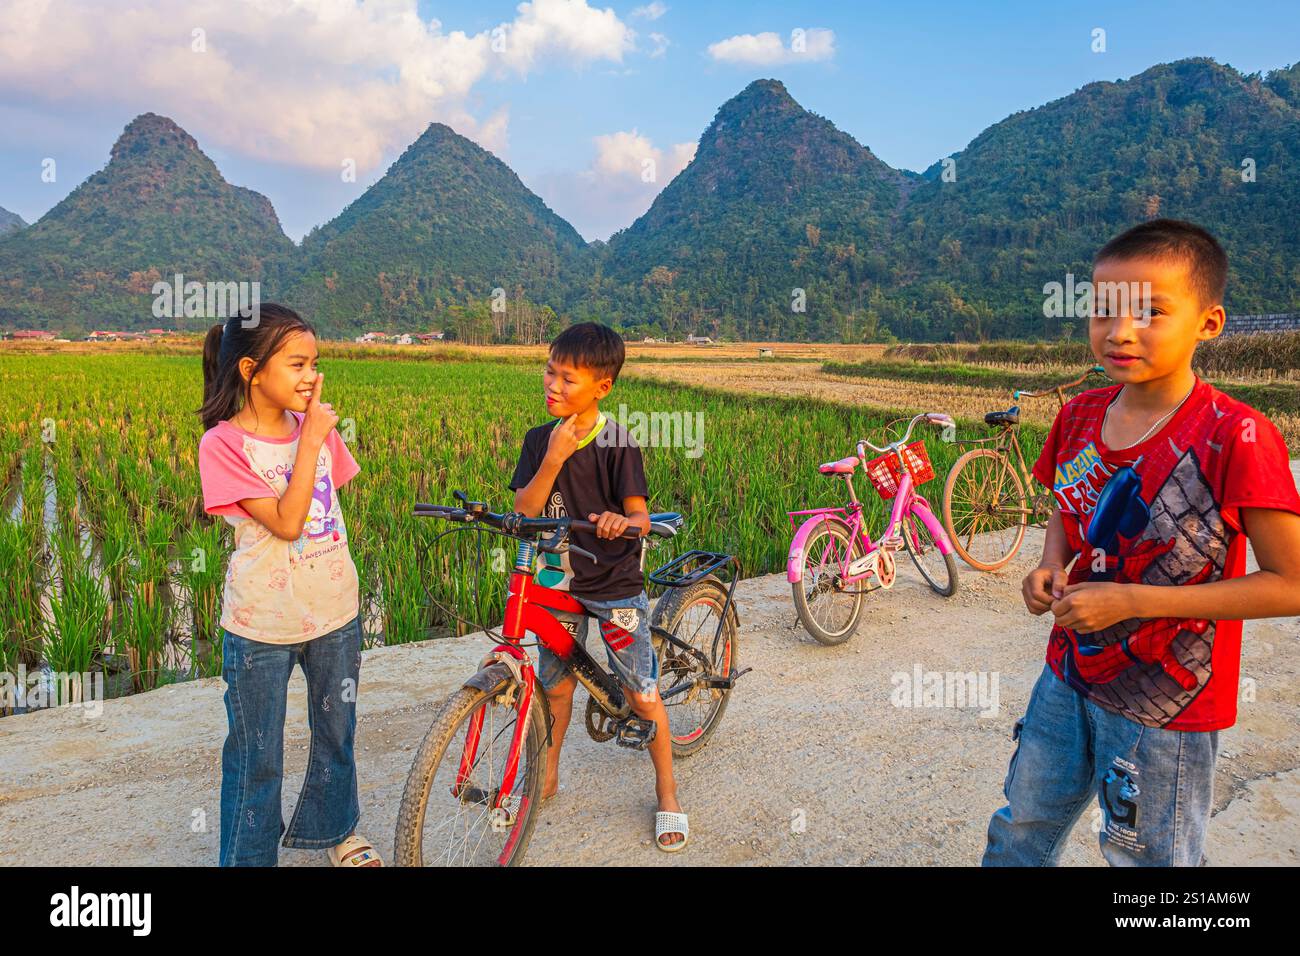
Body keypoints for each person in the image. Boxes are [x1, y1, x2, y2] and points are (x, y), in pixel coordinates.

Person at [983, 219, 1300, 866]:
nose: (1119, 332)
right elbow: (1067, 511)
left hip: (1165, 707)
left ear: (1209, 324)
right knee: (1022, 825)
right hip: (1067, 675)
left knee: (1148, 857)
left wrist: (1132, 599)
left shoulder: (1236, 436)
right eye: (1102, 312)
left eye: (1150, 312)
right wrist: (1049, 566)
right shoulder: (1077, 416)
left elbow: (1291, 583)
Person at [197, 304, 379, 867]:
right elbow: (286, 522)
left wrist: (314, 437)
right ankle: (248, 858)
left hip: (335, 613)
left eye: (315, 363)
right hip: (260, 625)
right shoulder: (223, 445)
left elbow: (329, 509)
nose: (311, 377)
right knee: (256, 755)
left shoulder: (316, 431)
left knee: (336, 732)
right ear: (251, 370)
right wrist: (309, 442)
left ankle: (337, 830)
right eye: (297, 364)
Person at [508, 322, 688, 851]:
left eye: (567, 379)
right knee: (556, 684)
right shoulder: (539, 439)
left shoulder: (617, 443)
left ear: (601, 388)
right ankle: (547, 773)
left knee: (640, 691)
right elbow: (525, 509)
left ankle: (668, 790)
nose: (552, 386)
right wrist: (554, 457)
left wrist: (621, 521)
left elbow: (640, 515)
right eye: (549, 372)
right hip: (556, 578)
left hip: (612, 580)